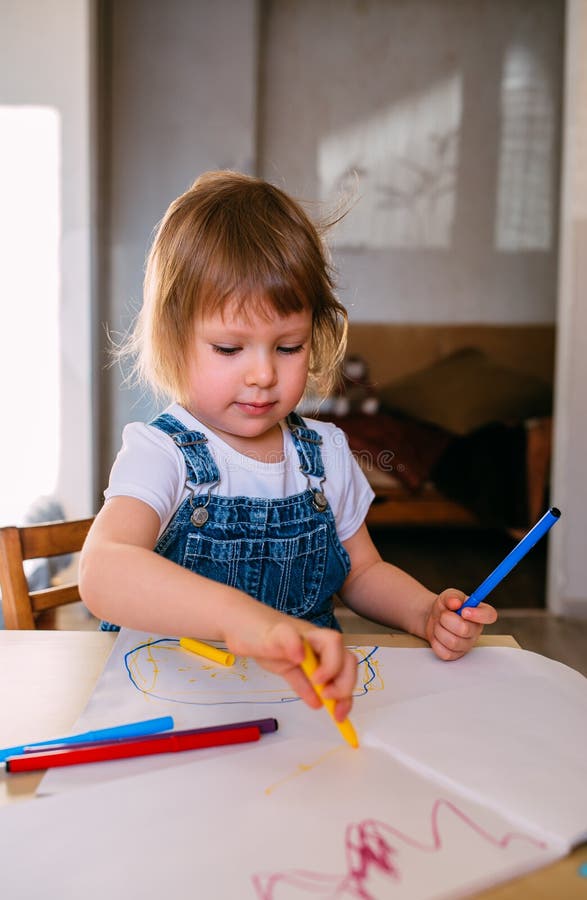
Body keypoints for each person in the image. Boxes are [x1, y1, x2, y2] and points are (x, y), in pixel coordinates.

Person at [80, 171, 497, 722]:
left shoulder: (325, 454)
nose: (262, 374)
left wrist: (424, 612)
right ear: (172, 339)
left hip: (300, 714)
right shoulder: (163, 453)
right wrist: (243, 620)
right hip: (170, 707)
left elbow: (362, 572)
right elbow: (103, 570)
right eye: (229, 348)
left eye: (288, 346)